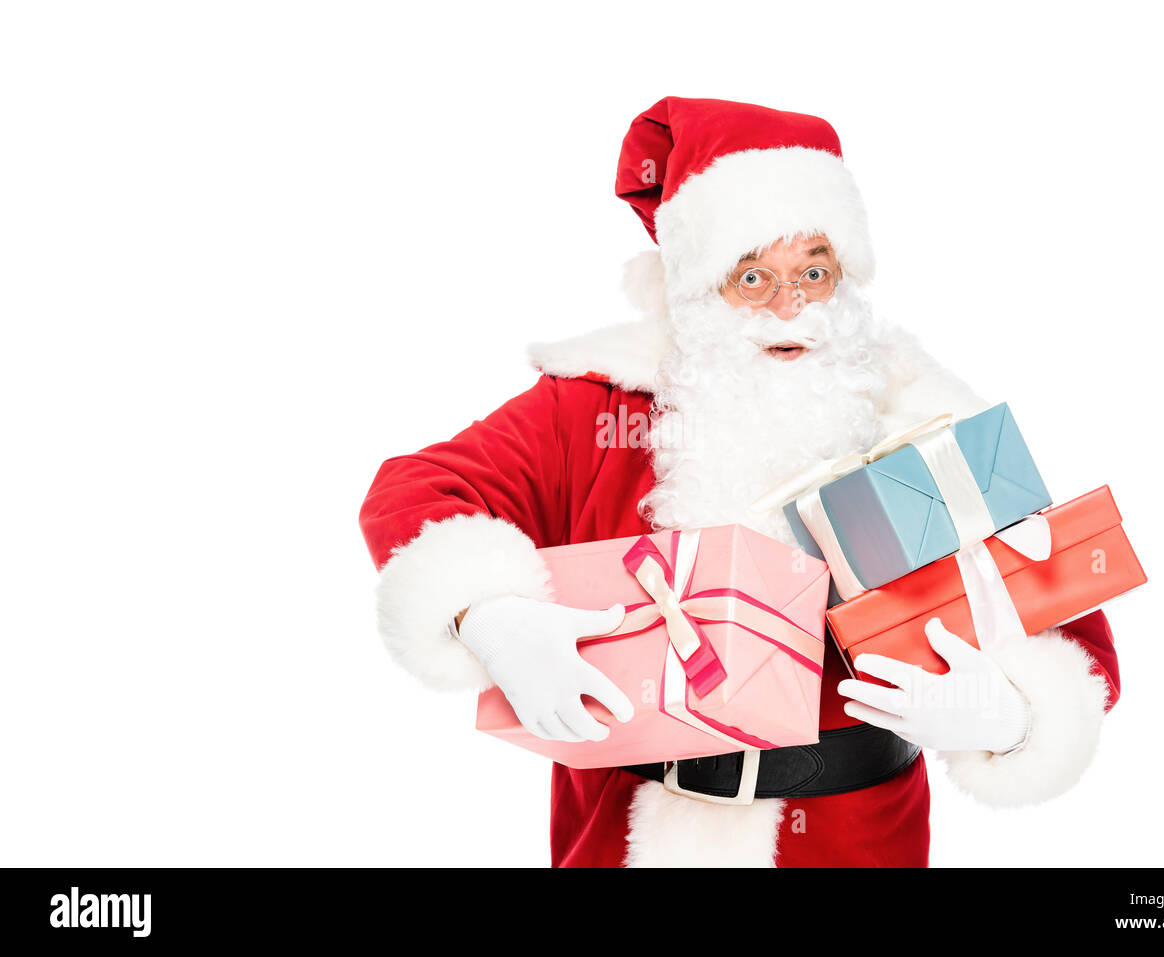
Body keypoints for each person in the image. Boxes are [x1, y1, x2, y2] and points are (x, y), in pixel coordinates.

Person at [358, 97, 1121, 867]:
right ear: (694, 288)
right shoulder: (595, 405)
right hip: (624, 838)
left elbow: (1071, 626)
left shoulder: (927, 422)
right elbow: (414, 491)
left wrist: (1012, 719)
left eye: (814, 270)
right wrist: (484, 612)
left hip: (858, 839)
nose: (790, 303)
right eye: (751, 275)